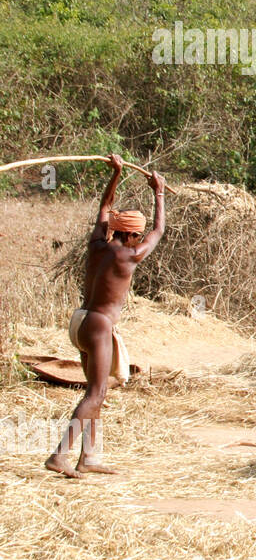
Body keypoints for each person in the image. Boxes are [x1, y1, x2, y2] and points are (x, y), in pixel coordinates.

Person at [46, 155, 165, 478]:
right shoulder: (129, 256)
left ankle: (89, 458)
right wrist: (159, 193)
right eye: (136, 235)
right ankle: (60, 455)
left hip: (80, 321)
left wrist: (116, 173)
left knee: (96, 390)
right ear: (130, 236)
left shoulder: (98, 243)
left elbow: (104, 207)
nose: (140, 240)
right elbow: (159, 229)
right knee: (96, 393)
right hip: (99, 325)